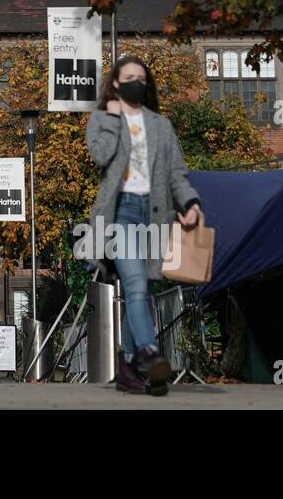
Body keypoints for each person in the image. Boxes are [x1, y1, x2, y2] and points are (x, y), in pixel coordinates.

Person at [83, 56, 204, 396]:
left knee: (142, 289)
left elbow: (176, 173)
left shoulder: (161, 126)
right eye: (129, 76)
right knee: (135, 284)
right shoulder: (102, 118)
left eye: (141, 77)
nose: (137, 81)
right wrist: (113, 119)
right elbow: (101, 155)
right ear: (117, 83)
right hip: (118, 213)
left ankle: (126, 366)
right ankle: (149, 353)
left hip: (153, 214)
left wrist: (191, 203)